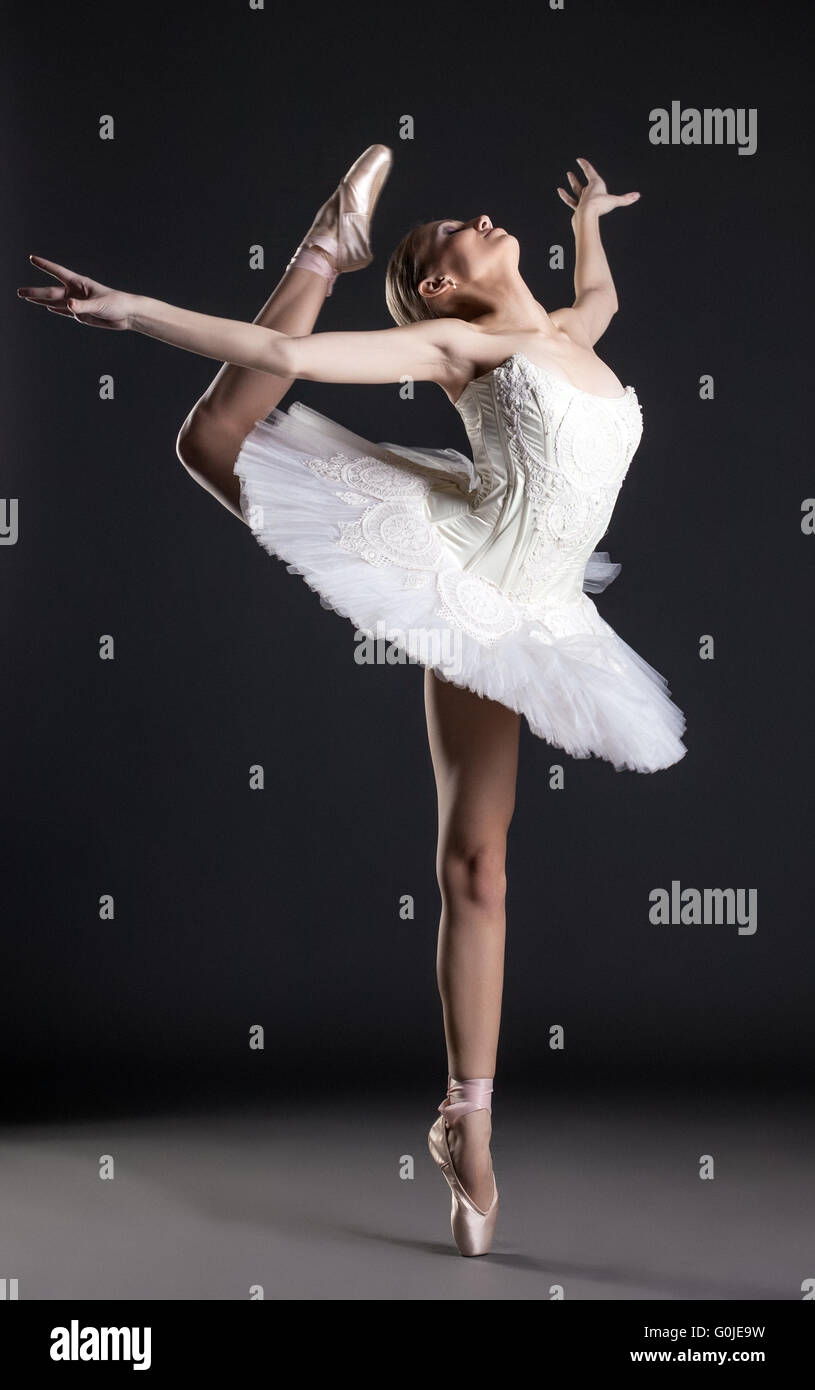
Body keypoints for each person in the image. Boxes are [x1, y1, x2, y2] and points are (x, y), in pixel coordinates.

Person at [17, 144, 686, 1257]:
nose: (479, 215)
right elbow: (283, 351)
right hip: (465, 577)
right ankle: (325, 248)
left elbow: (602, 295)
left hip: (544, 607)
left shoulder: (567, 334)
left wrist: (592, 221)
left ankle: (460, 1117)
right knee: (212, 438)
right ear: (437, 286)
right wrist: (131, 309)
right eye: (453, 236)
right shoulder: (456, 344)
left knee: (480, 866)